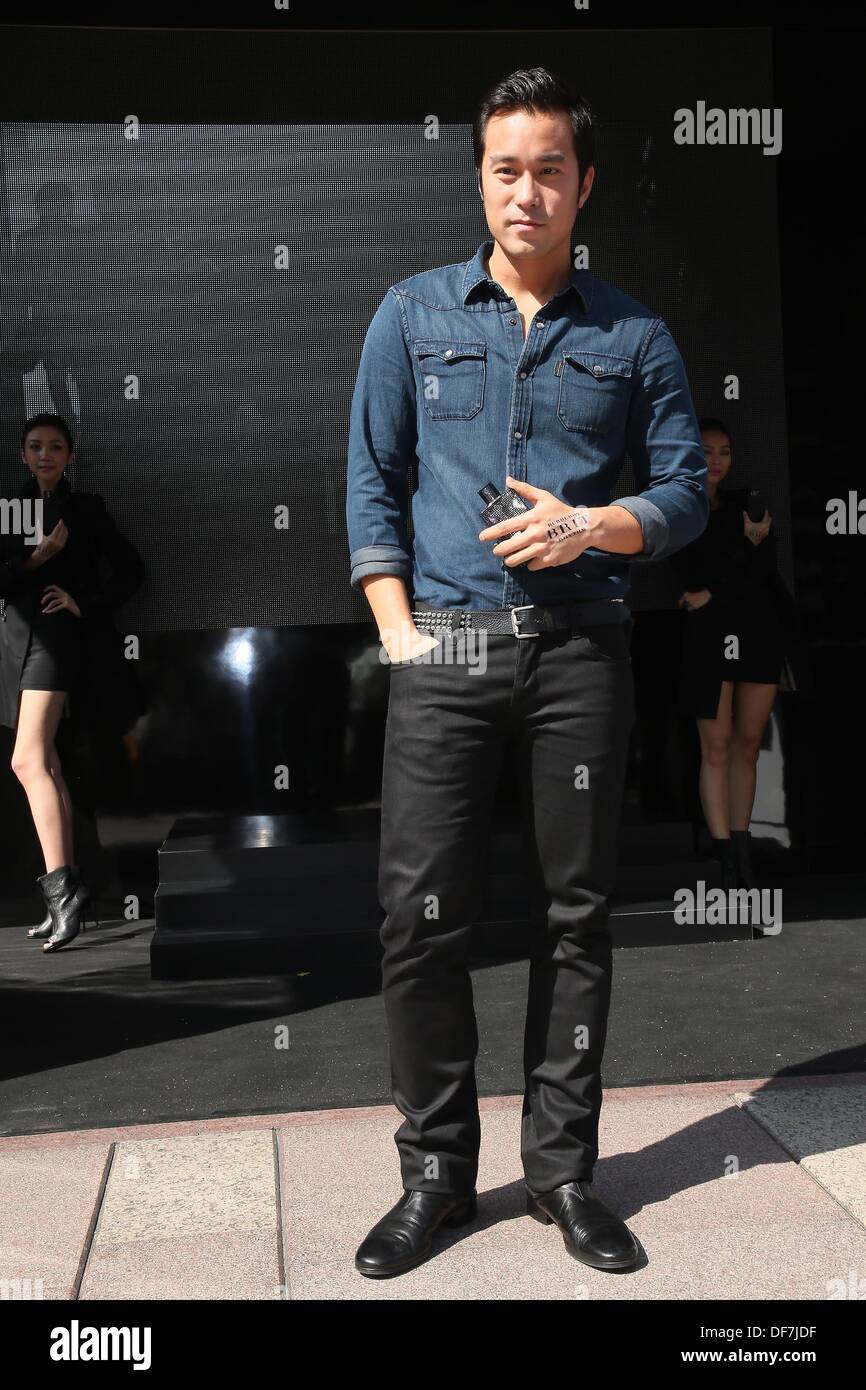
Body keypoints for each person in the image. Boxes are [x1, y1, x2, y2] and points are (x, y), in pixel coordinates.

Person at [345, 66, 708, 1279]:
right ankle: (436, 1175)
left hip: (579, 651)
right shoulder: (408, 316)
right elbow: (369, 484)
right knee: (418, 921)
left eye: (550, 168)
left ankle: (561, 1174)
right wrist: (397, 634)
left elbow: (682, 494)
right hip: (439, 647)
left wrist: (588, 527)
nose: (527, 191)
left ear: (583, 183)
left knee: (575, 918)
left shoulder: (634, 335)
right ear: (479, 179)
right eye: (506, 168)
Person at [0, 413, 145, 952]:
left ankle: (63, 893)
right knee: (47, 762)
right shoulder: (9, 509)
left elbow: (132, 570)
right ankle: (65, 893)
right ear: (22, 454)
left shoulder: (85, 509)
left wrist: (84, 603)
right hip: (13, 644)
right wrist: (38, 557)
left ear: (70, 456)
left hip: (56, 645)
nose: (45, 456)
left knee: (26, 761)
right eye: (35, 447)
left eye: (55, 448)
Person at [670, 417, 810, 892]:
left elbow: (762, 575)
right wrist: (711, 590)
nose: (716, 460)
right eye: (707, 451)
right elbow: (682, 580)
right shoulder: (679, 508)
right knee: (717, 746)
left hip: (757, 634)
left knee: (749, 746)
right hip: (707, 640)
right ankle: (725, 859)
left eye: (724, 451)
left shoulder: (746, 504)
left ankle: (743, 852)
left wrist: (715, 590)